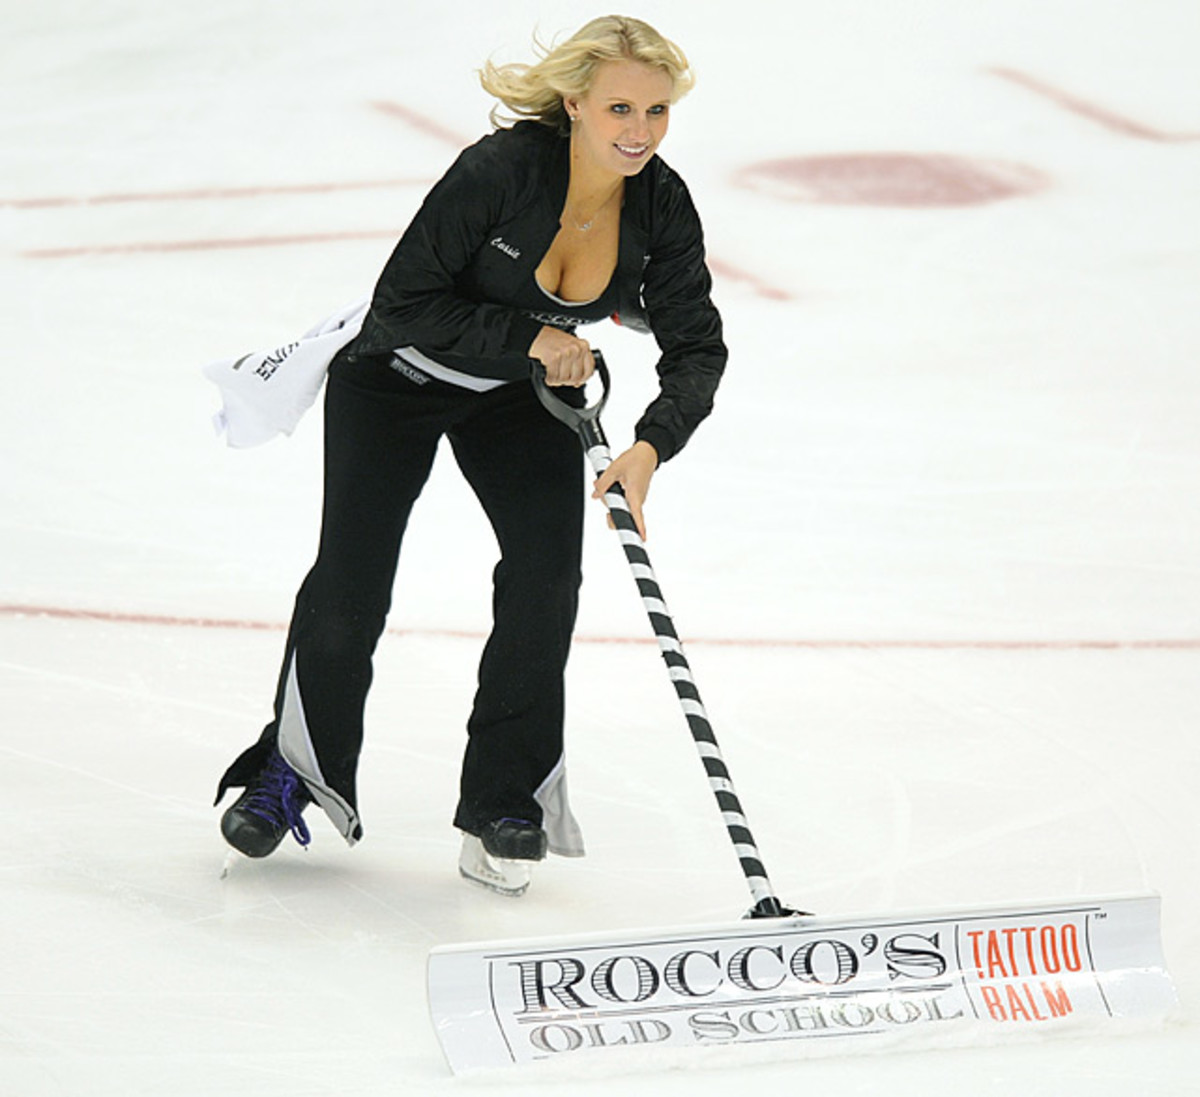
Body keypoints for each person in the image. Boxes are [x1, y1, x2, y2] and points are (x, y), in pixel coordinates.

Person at [213, 15, 727, 897]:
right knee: (352, 577)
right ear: (575, 102)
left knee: (545, 577)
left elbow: (697, 345)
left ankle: (504, 802)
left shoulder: (660, 203)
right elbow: (401, 301)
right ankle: (292, 766)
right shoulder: (502, 171)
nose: (637, 130)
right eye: (617, 108)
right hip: (395, 377)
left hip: (517, 399)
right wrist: (533, 334)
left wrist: (651, 444)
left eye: (655, 110)